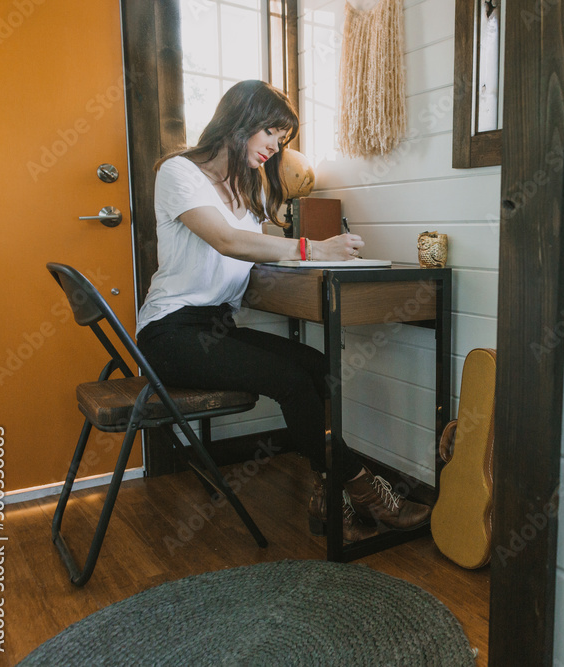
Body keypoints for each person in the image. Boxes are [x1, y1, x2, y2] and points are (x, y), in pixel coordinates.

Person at [135, 80, 430, 543]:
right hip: (170, 333)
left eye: (282, 139)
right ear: (240, 121)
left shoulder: (246, 188)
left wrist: (316, 250)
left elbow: (256, 245)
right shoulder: (179, 173)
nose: (275, 147)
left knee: (317, 366)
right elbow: (227, 241)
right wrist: (315, 248)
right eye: (271, 132)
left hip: (216, 326)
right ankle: (366, 490)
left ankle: (326, 498)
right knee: (292, 382)